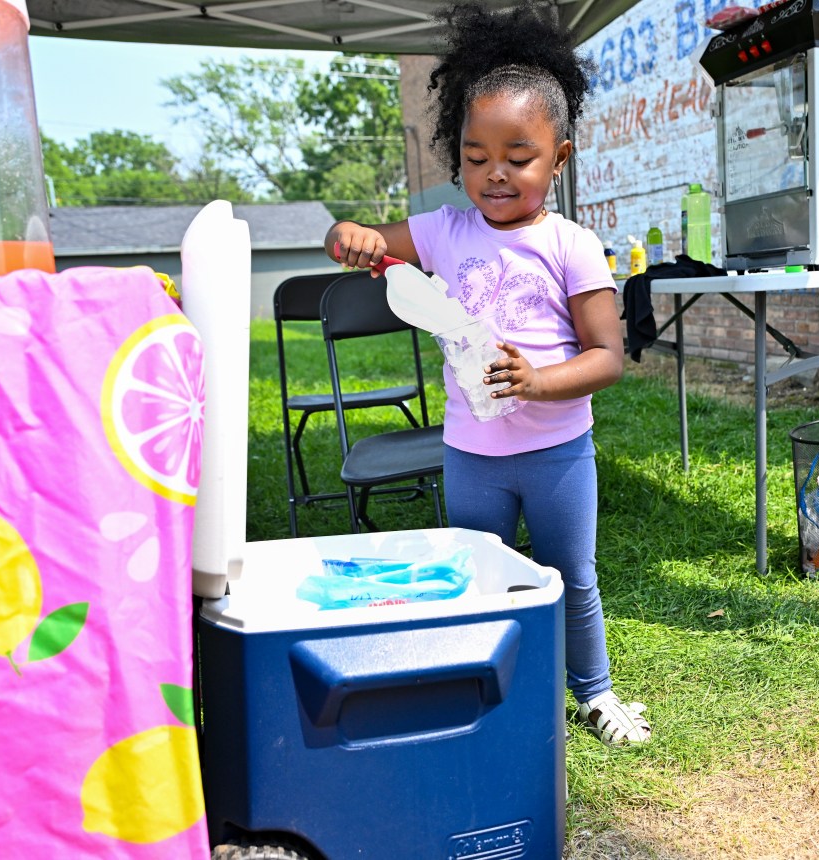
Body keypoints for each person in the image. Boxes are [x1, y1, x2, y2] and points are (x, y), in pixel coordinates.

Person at [323, 0, 650, 746]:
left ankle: (595, 693)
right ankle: (491, 692)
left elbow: (607, 356)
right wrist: (348, 235)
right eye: (475, 158)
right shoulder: (445, 230)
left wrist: (538, 382)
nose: (494, 175)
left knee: (570, 575)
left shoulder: (571, 243)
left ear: (559, 158)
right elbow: (375, 244)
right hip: (473, 453)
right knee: (480, 576)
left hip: (558, 451)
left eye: (518, 157)